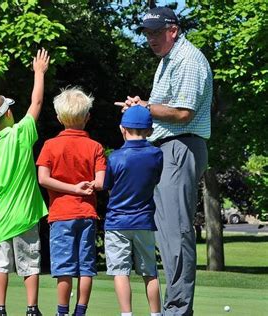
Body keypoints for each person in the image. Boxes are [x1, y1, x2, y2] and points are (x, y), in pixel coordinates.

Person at [119, 6, 212, 316]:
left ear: (173, 30)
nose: (151, 38)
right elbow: (165, 109)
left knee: (176, 231)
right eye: (147, 33)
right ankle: (176, 307)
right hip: (166, 148)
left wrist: (145, 106)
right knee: (166, 232)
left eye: (156, 32)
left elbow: (183, 113)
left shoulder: (188, 60)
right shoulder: (168, 61)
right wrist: (144, 108)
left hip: (180, 147)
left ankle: (178, 310)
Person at [0, 49, 50, 316]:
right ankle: (32, 309)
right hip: (24, 216)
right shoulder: (20, 135)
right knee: (29, 263)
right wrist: (39, 73)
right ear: (7, 115)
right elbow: (37, 103)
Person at [36, 87, 106, 316]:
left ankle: (62, 311)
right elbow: (100, 182)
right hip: (86, 213)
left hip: (61, 215)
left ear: (58, 118)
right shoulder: (95, 146)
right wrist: (84, 187)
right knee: (86, 267)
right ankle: (81, 311)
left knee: (64, 268)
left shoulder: (50, 145)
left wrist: (70, 188)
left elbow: (43, 179)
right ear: (87, 117)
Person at [103, 106, 163, 316]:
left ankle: (126, 314)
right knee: (150, 272)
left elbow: (107, 185)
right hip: (144, 221)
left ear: (122, 129)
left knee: (120, 272)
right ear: (149, 130)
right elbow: (155, 179)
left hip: (117, 222)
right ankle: (156, 314)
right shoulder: (156, 155)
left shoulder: (115, 157)